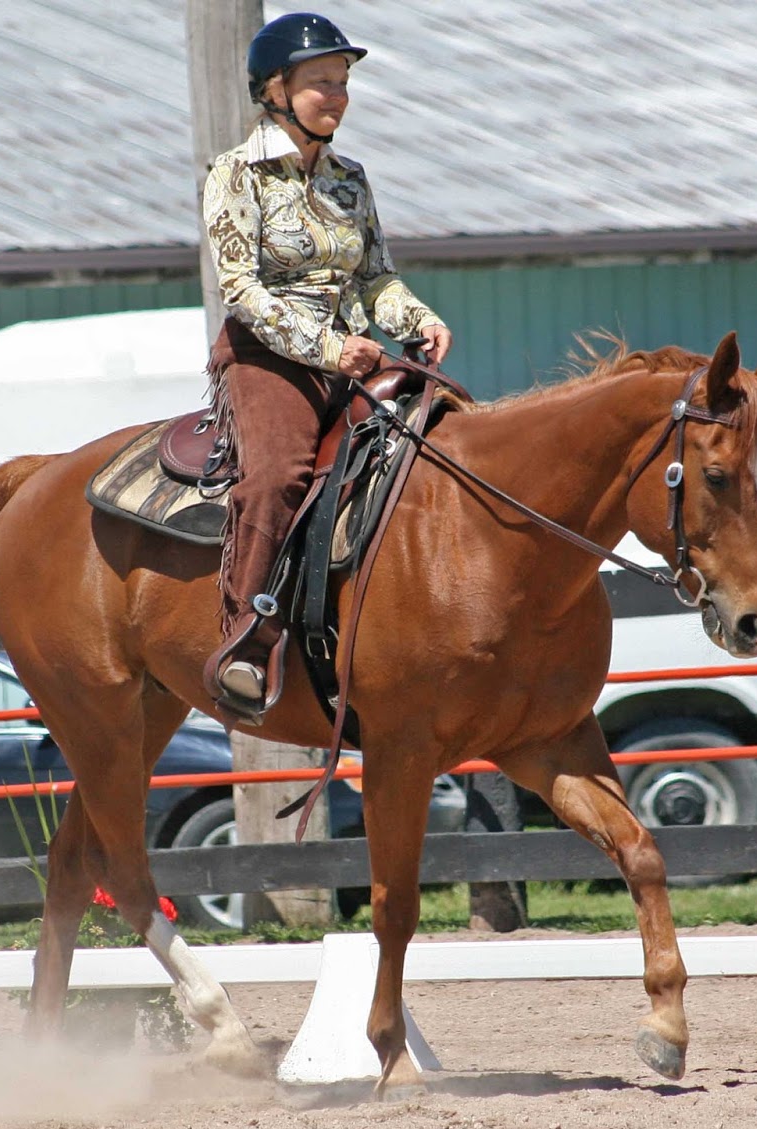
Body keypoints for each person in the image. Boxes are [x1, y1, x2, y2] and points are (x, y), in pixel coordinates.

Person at [201, 12, 451, 715]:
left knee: (432, 449)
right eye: (321, 83)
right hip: (268, 359)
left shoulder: (351, 180)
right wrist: (331, 348)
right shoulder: (236, 174)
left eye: (342, 83)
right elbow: (241, 291)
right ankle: (246, 638)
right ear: (276, 89)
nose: (337, 96)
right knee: (279, 475)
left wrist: (418, 320)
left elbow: (376, 280)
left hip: (354, 358)